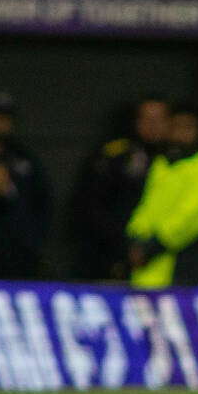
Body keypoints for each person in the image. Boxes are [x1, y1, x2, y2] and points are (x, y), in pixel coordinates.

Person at [125, 104, 198, 288]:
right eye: (175, 127)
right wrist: (134, 238)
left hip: (189, 277)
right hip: (149, 278)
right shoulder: (164, 163)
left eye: (188, 127)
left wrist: (154, 244)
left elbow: (192, 216)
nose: (179, 134)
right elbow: (148, 207)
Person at [71, 96, 171, 279]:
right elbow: (91, 205)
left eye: (159, 120)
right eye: (147, 119)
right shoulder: (117, 155)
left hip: (160, 258)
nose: (153, 126)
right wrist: (122, 246)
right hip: (111, 253)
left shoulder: (179, 161)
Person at [0, 90, 52, 279]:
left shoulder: (23, 160)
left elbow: (42, 207)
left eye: (4, 117)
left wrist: (8, 190)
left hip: (14, 263)